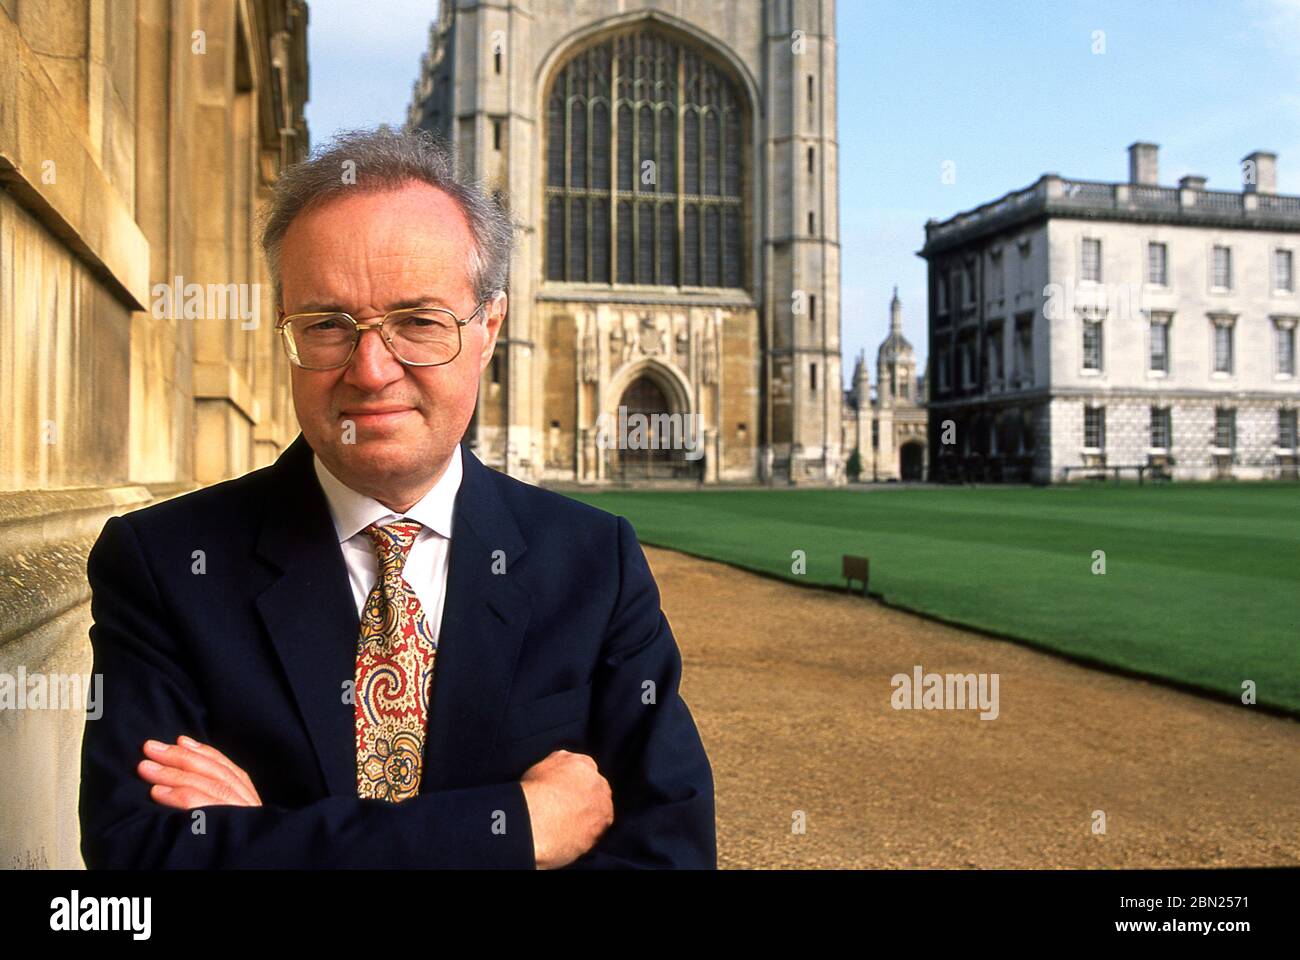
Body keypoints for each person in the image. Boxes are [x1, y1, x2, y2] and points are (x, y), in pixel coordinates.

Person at [78, 127, 716, 869]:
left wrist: (271, 841)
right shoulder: (163, 566)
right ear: (282, 332)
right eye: (327, 325)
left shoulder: (592, 564)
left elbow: (670, 853)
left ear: (490, 330)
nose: (372, 369)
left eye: (418, 321)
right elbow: (142, 865)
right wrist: (509, 828)